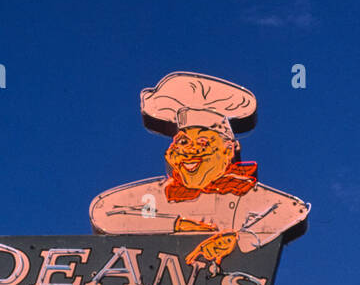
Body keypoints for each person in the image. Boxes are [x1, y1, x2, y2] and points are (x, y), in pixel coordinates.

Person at [89, 71, 309, 267]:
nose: (190, 152)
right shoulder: (157, 196)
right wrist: (178, 225)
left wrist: (239, 238)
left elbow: (293, 209)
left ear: (229, 149)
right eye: (183, 142)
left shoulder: (248, 195)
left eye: (203, 142)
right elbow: (103, 212)